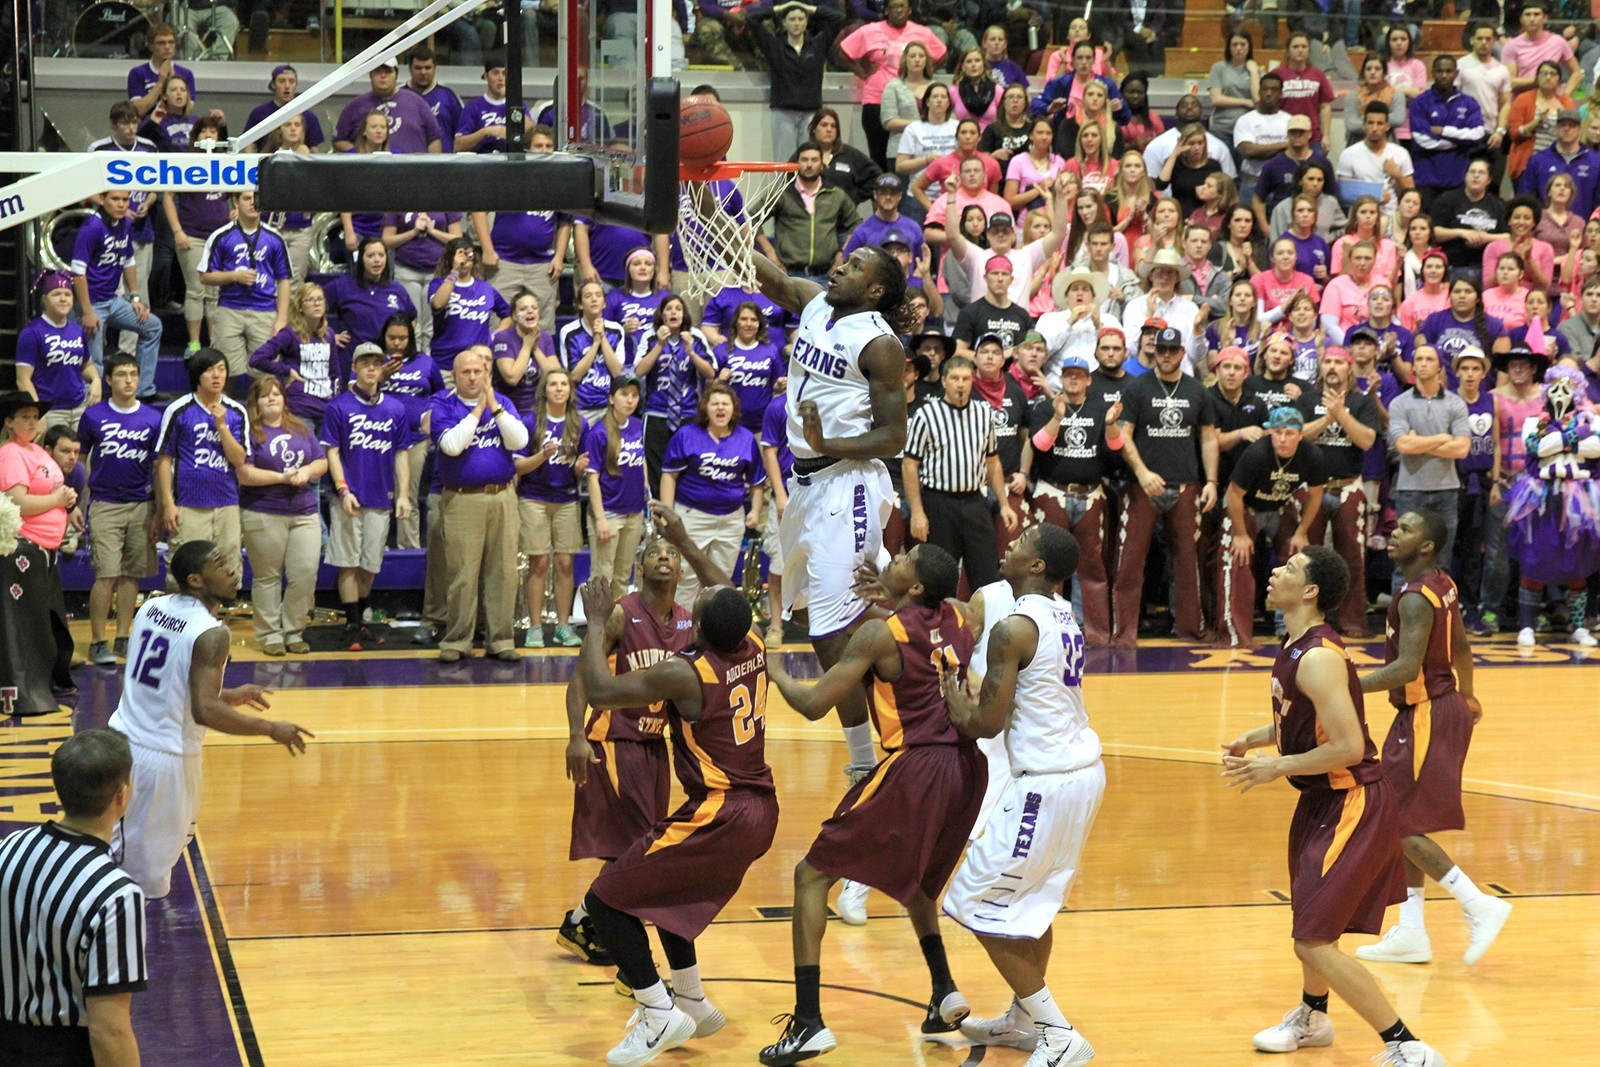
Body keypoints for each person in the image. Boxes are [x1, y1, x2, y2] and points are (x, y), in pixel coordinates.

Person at [761, 543, 985, 1066]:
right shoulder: (960, 615)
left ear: (913, 587)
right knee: (920, 886)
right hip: (967, 769)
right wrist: (890, 599)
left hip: (917, 768)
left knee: (811, 876)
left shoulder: (879, 635)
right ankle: (944, 990)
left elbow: (817, 704)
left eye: (907, 558)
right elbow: (921, 628)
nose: (899, 553)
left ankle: (809, 1022)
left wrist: (779, 676)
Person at [1222, 546, 1443, 1066]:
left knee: (1314, 940)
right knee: (1311, 923)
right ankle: (1314, 1016)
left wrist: (1275, 766)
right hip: (1321, 799)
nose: (1277, 571)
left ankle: (1408, 1046)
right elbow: (1299, 720)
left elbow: (1347, 746)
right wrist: (1255, 739)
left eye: (1290, 569)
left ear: (1311, 591)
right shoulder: (1295, 644)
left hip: (1351, 802)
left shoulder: (1319, 656)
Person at [575, 563, 774, 1065]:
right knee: (665, 890)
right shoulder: (755, 647)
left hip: (723, 809)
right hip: (757, 806)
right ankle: (690, 999)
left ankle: (657, 1010)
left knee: (605, 903)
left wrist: (597, 621)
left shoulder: (686, 674)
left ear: (699, 628)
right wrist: (686, 543)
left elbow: (599, 690)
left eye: (702, 599)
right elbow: (726, 602)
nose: (700, 591)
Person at [752, 242, 913, 830]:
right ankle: (896, 725)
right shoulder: (818, 304)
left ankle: (871, 762)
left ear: (874, 290)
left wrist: (831, 446)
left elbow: (893, 436)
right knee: (825, 625)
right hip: (807, 486)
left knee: (835, 629)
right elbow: (772, 281)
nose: (841, 264)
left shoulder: (880, 344)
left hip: (850, 483)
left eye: (856, 265)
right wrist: (717, 221)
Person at [938, 523, 1102, 1065]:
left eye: (1024, 540)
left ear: (1037, 567)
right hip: (1081, 773)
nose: (1011, 542)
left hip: (1047, 784)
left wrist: (952, 697)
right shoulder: (1062, 614)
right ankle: (1023, 1019)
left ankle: (1059, 1034)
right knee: (1032, 905)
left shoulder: (1015, 627)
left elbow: (985, 723)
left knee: (976, 904)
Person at [557, 502, 729, 962]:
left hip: (656, 749)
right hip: (614, 742)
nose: (664, 558)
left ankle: (582, 922)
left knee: (631, 850)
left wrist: (688, 544)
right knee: (640, 849)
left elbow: (729, 600)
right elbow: (580, 678)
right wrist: (576, 734)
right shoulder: (618, 615)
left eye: (671, 554)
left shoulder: (691, 622)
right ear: (639, 566)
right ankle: (631, 953)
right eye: (655, 552)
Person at [1352, 509, 1514, 970]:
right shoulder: (1443, 583)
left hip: (1426, 713)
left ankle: (1477, 904)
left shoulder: (1415, 598)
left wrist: (1347, 684)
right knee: (1401, 823)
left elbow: (1406, 668)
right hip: (1438, 710)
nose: (1393, 532)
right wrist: (1468, 693)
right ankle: (1411, 932)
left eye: (1404, 529)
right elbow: (1461, 646)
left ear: (1425, 547)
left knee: (1394, 822)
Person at [109, 540, 312, 900]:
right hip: (162, 759)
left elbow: (164, 682)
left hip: (122, 742)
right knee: (137, 882)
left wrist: (228, 696)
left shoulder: (150, 608)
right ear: (196, 580)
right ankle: (120, 951)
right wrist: (271, 729)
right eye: (220, 565)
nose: (233, 571)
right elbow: (204, 710)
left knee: (121, 862)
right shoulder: (212, 633)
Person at [0, 729, 144, 1065]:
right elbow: (109, 1030)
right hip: (64, 1052)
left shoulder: (8, 849)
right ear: (121, 796)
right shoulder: (115, 895)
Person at [1111, 326, 1219, 645]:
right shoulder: (1137, 388)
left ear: (1183, 353)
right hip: (1142, 485)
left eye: (1173, 350)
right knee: (1130, 561)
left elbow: (1209, 437)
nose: (1168, 356)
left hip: (1186, 484)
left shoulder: (1197, 390)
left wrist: (1211, 481)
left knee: (1189, 561)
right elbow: (1122, 435)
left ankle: (1189, 629)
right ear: (1153, 352)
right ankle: (1124, 632)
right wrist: (1143, 472)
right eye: (1162, 350)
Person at [431, 346, 528, 663]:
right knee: (462, 573)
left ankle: (500, 639)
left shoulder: (505, 403)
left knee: (503, 571)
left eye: (479, 372)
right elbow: (452, 445)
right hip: (462, 499)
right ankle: (458, 640)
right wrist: (478, 411)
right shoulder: (442, 405)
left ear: (487, 374)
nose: (473, 377)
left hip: (502, 495)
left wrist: (496, 408)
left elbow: (519, 441)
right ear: (455, 376)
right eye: (466, 372)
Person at [323, 343, 412, 653]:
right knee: (347, 562)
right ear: (355, 368)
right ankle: (351, 623)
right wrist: (343, 489)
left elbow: (402, 453)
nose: (372, 368)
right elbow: (332, 452)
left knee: (370, 564)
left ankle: (361, 618)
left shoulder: (395, 409)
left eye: (377, 363)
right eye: (366, 363)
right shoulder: (339, 406)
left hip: (381, 494)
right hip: (349, 495)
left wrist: (403, 494)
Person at [1504, 363, 1600, 645]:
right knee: (1535, 558)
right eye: (1556, 384)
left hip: (1580, 498)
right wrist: (1575, 437)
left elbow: (1596, 447)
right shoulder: (1536, 421)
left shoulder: (1590, 418)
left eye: (1568, 384)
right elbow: (1536, 447)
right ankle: (1527, 625)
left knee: (1577, 562)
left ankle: (1579, 626)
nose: (1562, 391)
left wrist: (1560, 441)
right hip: (1542, 496)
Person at [1217, 406, 1327, 648]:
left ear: (1300, 435)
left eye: (1289, 433)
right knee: (1240, 558)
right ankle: (1236, 633)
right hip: (1247, 508)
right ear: (1269, 434)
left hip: (1280, 508)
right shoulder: (1256, 454)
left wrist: (1301, 532)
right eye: (1278, 433)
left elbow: (1316, 496)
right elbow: (1234, 494)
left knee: (1296, 559)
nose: (1283, 439)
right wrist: (1241, 534)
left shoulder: (1312, 455)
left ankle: (1289, 627)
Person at [1026, 356, 1118, 646]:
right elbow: (1038, 446)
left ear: (1089, 379)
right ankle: (1048, 628)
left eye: (1079, 375)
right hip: (1053, 491)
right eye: (1068, 374)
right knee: (1049, 563)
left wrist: (1113, 425)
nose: (1074, 379)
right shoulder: (1045, 407)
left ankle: (1091, 630)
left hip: (1090, 493)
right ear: (1061, 378)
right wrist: (1057, 417)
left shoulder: (1101, 408)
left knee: (1091, 564)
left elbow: (1115, 450)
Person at [902, 354, 1015, 588]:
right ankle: (940, 625)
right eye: (954, 378)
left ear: (972, 381)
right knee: (939, 577)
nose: (960, 384)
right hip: (938, 502)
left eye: (965, 378)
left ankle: (985, 624)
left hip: (975, 502)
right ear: (944, 381)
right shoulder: (926, 415)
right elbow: (909, 465)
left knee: (987, 576)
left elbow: (992, 462)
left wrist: (1004, 504)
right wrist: (917, 512)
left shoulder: (985, 414)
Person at [78, 354, 161, 668]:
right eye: (122, 374)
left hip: (141, 504)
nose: (129, 380)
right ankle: (98, 640)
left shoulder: (152, 418)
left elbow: (158, 467)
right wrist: (79, 503)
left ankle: (124, 636)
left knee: (131, 575)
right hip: (105, 504)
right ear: (109, 379)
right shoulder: (93, 416)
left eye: (134, 374)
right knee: (106, 574)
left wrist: (158, 509)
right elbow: (80, 461)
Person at [237, 377, 328, 657]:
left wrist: (307, 473)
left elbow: (321, 461)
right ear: (256, 403)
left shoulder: (300, 428)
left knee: (305, 574)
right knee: (267, 577)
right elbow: (245, 473)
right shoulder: (249, 432)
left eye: (276, 394)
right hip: (263, 511)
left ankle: (294, 631)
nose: (272, 399)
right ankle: (270, 635)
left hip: (304, 512)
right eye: (265, 396)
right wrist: (282, 477)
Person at [659, 382, 767, 609]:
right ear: (705, 408)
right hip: (691, 517)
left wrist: (755, 511)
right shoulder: (686, 435)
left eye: (725, 404)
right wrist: (667, 514)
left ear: (733, 409)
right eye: (715, 403)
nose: (720, 409)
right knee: (685, 577)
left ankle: (711, 634)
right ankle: (682, 630)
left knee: (718, 579)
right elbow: (669, 476)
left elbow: (757, 483)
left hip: (730, 520)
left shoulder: (746, 439)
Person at [0, 391, 75, 714]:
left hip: (46, 549)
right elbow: (18, 502)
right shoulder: (11, 453)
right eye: (24, 417)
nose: (32, 422)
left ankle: (48, 681)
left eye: (35, 417)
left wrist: (66, 499)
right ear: (9, 422)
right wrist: (58, 501)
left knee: (49, 621)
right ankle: (24, 692)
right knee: (29, 624)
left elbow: (52, 491)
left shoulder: (36, 452)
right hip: (23, 550)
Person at [515, 370, 588, 648]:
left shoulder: (579, 423)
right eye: (553, 384)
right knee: (539, 562)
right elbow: (518, 466)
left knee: (565, 563)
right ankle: (535, 627)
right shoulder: (531, 421)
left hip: (567, 499)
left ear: (570, 390)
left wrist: (579, 468)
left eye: (564, 385)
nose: (559, 389)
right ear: (544, 390)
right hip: (533, 497)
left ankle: (563, 625)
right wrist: (542, 456)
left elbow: (582, 464)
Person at [155, 348, 249, 563]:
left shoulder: (236, 411)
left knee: (229, 570)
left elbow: (239, 459)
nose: (216, 375)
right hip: (188, 505)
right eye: (209, 370)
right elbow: (164, 459)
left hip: (228, 503)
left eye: (221, 369)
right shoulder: (178, 409)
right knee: (186, 570)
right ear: (197, 374)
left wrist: (222, 426)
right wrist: (168, 505)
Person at [1387, 346, 1471, 578]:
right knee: (1404, 562)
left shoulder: (1455, 403)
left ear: (1439, 367)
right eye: (1419, 359)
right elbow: (1403, 445)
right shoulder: (1399, 403)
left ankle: (1438, 614)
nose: (1423, 363)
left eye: (1429, 359)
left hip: (1447, 491)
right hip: (1409, 491)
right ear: (1412, 367)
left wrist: (1419, 443)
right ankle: (1399, 615)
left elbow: (1462, 449)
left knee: (1441, 562)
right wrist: (1443, 438)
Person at [70, 191, 162, 401]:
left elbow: (128, 260)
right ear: (102, 200)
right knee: (95, 360)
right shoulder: (91, 228)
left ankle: (142, 392)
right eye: (115, 199)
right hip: (90, 304)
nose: (121, 204)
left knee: (153, 326)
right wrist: (86, 312)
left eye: (125, 200)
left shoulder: (124, 224)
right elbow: (77, 273)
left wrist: (135, 297)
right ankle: (91, 404)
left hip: (112, 300)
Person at [836, 0, 947, 168]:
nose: (899, 10)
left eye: (902, 6)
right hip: (876, 101)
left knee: (912, 156)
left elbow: (942, 55)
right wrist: (862, 73)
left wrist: (924, 73)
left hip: (909, 103)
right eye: (894, 7)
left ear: (909, 10)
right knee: (878, 157)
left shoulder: (922, 32)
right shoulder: (869, 31)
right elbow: (843, 52)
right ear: (886, 10)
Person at [473, 130, 572, 317]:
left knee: (542, 324)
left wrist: (559, 257)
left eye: (548, 146)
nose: (544, 150)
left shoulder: (559, 181)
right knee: (499, 322)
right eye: (538, 146)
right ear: (527, 148)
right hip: (504, 262)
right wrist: (487, 249)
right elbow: (478, 210)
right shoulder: (509, 176)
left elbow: (565, 223)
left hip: (543, 265)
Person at [200, 191, 293, 379]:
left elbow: (284, 279)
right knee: (224, 373)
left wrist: (281, 319)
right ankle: (226, 409)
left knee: (266, 376)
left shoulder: (274, 238)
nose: (252, 203)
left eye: (256, 199)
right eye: (247, 199)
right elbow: (205, 276)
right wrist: (234, 276)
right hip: (229, 310)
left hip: (265, 311)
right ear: (235, 202)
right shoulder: (221, 236)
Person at [749, 2, 848, 163]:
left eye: (801, 19)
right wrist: (779, 8)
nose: (796, 23)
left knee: (810, 162)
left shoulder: (818, 44)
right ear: (784, 22)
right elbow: (751, 19)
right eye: (792, 19)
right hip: (783, 113)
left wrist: (811, 9)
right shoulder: (774, 46)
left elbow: (839, 18)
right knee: (784, 163)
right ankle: (784, 190)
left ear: (806, 21)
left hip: (811, 114)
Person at [584, 375, 649, 597]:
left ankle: (618, 628)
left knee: (623, 577)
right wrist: (600, 518)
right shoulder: (598, 432)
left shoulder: (639, 426)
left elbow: (641, 461)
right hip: (609, 513)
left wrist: (646, 489)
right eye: (624, 395)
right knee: (603, 577)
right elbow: (592, 477)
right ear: (611, 398)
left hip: (634, 512)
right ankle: (597, 629)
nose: (630, 400)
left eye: (634, 395)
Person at [761, 143, 859, 287]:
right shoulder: (782, 193)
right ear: (797, 163)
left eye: (814, 160)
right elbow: (750, 218)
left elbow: (856, 223)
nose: (809, 165)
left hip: (826, 275)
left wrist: (843, 254)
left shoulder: (835, 194)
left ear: (821, 164)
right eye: (804, 160)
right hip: (790, 274)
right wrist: (770, 252)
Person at [249, 282, 341, 433]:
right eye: (310, 300)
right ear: (300, 307)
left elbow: (335, 374)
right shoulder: (289, 334)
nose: (316, 303)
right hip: (300, 407)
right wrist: (287, 371)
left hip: (326, 408)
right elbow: (257, 358)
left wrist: (335, 402)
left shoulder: (329, 335)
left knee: (324, 456)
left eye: (320, 299)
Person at [17, 271, 97, 432]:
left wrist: (96, 380)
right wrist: (37, 414)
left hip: (79, 409)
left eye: (67, 294)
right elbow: (23, 380)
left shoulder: (77, 330)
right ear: (44, 299)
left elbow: (86, 365)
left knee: (79, 456)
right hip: (50, 411)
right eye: (56, 294)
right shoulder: (32, 332)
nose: (63, 299)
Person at [325, 238, 414, 373]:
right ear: (361, 258)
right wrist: (328, 336)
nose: (377, 260)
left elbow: (412, 319)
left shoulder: (397, 290)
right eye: (370, 256)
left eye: (381, 255)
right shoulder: (342, 285)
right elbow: (312, 307)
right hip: (352, 363)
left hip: (387, 364)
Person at [384, 208, 465, 356]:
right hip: (406, 270)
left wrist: (432, 231)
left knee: (430, 327)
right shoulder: (398, 198)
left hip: (437, 272)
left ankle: (428, 364)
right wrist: (414, 232)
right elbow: (387, 240)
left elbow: (457, 240)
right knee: (413, 324)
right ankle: (412, 361)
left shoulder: (446, 200)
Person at [1409, 56, 1487, 209]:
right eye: (1439, 71)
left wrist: (1444, 131)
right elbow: (1421, 139)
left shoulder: (1469, 103)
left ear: (1456, 73)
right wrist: (1459, 142)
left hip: (1458, 179)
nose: (1444, 75)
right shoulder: (1420, 102)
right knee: (1426, 227)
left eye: (1448, 71)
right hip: (1427, 179)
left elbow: (1477, 134)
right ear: (1432, 73)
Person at [429, 238, 512, 374]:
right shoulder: (438, 284)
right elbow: (438, 304)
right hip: (445, 364)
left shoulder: (485, 288)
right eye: (460, 254)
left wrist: (494, 335)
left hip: (478, 367)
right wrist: (455, 271)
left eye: (469, 255)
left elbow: (508, 314)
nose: (465, 260)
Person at [333, 57, 445, 154]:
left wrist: (432, 171)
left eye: (388, 71)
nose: (383, 75)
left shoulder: (417, 102)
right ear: (370, 75)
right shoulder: (355, 106)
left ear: (396, 74)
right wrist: (360, 154)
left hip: (412, 173)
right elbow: (338, 140)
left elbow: (434, 138)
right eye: (378, 71)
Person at [1458, 21, 1513, 188]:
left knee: (1492, 185)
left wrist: (1500, 131)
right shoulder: (1460, 66)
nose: (1484, 42)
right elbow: (1453, 101)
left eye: (1488, 39)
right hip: (1466, 134)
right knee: (1465, 182)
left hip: (1492, 136)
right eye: (1479, 38)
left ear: (1494, 41)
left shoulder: (1501, 70)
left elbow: (1505, 104)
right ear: (1472, 40)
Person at [1337, 104, 1416, 218]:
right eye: (1370, 123)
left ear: (1387, 126)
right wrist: (1376, 195)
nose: (1374, 128)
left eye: (1379, 124)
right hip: (1360, 219)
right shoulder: (1349, 154)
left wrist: (1397, 176)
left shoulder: (1401, 153)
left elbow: (1410, 195)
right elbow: (1344, 194)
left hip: (1390, 217)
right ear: (1364, 125)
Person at [454, 52, 533, 155]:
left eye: (504, 73)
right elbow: (458, 145)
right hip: (483, 162)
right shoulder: (473, 107)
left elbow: (532, 135)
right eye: (495, 73)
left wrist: (511, 100)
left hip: (511, 161)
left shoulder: (518, 104)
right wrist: (485, 132)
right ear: (486, 76)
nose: (500, 78)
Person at [1273, 33, 1337, 154]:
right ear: (1287, 51)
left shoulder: (1318, 75)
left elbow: (1325, 107)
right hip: (1283, 137)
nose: (1300, 50)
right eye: (1296, 47)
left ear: (1309, 50)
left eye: (1304, 46)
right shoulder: (1277, 75)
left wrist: (1326, 136)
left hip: (1312, 138)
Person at [1502, 0, 1582, 95]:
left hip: (1552, 102)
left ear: (1545, 18)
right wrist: (1538, 80)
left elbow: (1577, 73)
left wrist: (1565, 96)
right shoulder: (1512, 46)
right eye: (1527, 15)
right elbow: (1510, 82)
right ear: (1521, 20)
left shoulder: (1558, 42)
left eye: (1536, 14)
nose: (1532, 19)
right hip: (1523, 102)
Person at [246, 64, 327, 150]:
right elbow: (249, 144)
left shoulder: (308, 116)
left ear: (296, 86)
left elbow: (314, 147)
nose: (287, 86)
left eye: (291, 81)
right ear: (273, 84)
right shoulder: (259, 113)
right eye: (282, 81)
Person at [128, 22, 196, 117]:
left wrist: (172, 82)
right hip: (147, 127)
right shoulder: (137, 73)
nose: (167, 47)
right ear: (150, 46)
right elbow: (138, 110)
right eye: (161, 43)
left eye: (171, 42)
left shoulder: (186, 74)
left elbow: (187, 110)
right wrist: (160, 83)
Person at [404, 47, 464, 152]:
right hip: (405, 163)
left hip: (443, 164)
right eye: (418, 68)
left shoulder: (448, 95)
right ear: (409, 68)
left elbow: (462, 134)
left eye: (428, 68)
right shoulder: (399, 94)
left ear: (435, 68)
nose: (423, 72)